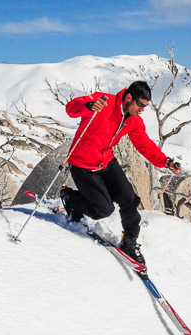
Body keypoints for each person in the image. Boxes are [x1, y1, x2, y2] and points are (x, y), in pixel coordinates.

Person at [59, 80, 182, 267]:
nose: (141, 109)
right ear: (128, 97)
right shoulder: (102, 102)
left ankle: (130, 242)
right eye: (140, 104)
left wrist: (165, 161)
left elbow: (145, 145)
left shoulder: (133, 120)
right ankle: (70, 198)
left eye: (145, 106)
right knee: (103, 210)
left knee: (130, 199)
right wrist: (89, 106)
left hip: (106, 162)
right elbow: (71, 108)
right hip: (83, 165)